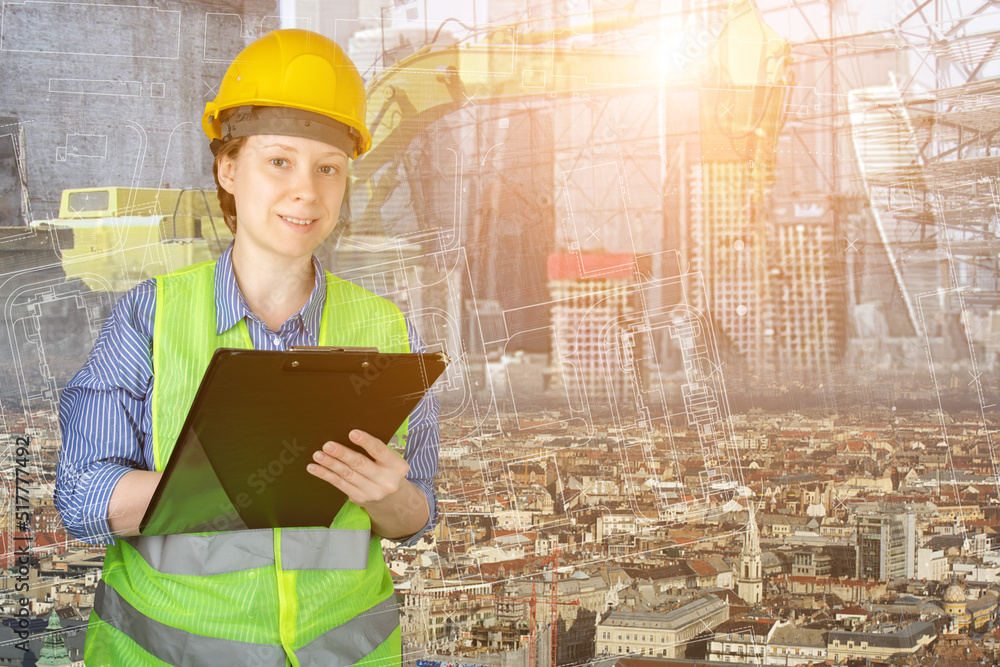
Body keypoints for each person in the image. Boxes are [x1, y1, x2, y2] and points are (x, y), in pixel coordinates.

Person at [54, 29, 440, 666]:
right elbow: (83, 497)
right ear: (228, 169)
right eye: (280, 161)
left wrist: (386, 497)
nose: (306, 192)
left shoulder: (386, 330)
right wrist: (229, 488)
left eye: (328, 169)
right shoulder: (150, 318)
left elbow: (412, 514)